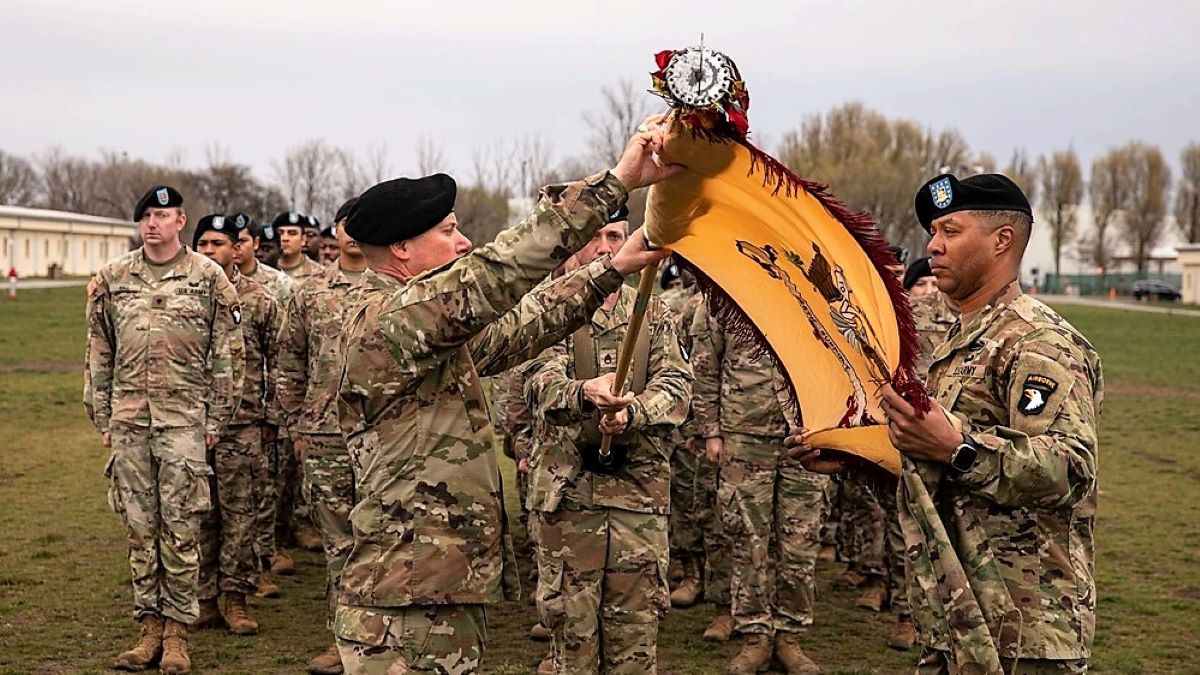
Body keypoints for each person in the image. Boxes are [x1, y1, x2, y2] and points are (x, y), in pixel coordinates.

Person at [333, 120, 682, 674]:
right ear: (401, 246)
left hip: (436, 585)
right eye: (449, 231)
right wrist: (616, 182)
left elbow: (521, 326)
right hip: (404, 601)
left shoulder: (430, 332)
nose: (464, 241)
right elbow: (495, 276)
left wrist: (610, 269)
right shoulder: (390, 319)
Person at [789, 173, 1102, 674]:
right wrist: (856, 456)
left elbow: (1069, 469)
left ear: (1002, 240)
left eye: (950, 231)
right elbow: (939, 470)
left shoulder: (1038, 341)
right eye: (933, 232)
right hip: (958, 618)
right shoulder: (962, 341)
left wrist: (960, 448)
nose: (933, 246)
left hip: (1023, 628)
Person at [523, 209, 693, 674]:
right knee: (570, 635)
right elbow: (538, 382)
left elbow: (677, 385)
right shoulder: (550, 308)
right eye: (590, 237)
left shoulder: (653, 312)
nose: (602, 248)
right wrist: (584, 394)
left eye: (615, 236)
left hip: (637, 498)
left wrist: (633, 411)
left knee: (634, 638)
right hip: (568, 496)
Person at [85, 186, 245, 674]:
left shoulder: (209, 277)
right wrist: (104, 415)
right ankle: (148, 629)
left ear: (181, 221)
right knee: (139, 530)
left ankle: (177, 633)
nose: (153, 223)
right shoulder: (112, 279)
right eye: (147, 216)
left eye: (163, 215)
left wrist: (216, 418)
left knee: (180, 529)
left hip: (184, 423)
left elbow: (228, 353)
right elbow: (99, 351)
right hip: (130, 422)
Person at [690, 299, 827, 675]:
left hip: (807, 435)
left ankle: (789, 637)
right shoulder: (724, 294)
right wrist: (711, 431)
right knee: (747, 538)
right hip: (743, 433)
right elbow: (704, 366)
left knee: (801, 540)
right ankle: (755, 635)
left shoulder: (813, 293)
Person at [276, 199, 368, 675]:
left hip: (383, 435)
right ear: (334, 230)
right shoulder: (311, 292)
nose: (352, 234)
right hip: (326, 435)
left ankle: (382, 637)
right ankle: (343, 641)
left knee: (382, 537)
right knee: (339, 543)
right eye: (345, 225)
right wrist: (296, 424)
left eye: (361, 225)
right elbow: (290, 361)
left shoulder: (395, 287)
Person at [191, 213, 280, 637]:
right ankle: (204, 598)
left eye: (218, 244)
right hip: (191, 423)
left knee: (241, 514)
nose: (210, 251)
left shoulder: (260, 300)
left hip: (243, 424)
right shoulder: (185, 297)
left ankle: (236, 597)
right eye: (203, 244)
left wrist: (274, 419)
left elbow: (279, 361)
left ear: (236, 250)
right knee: (199, 514)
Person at [230, 212, 300, 595]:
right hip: (222, 411)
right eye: (230, 240)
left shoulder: (277, 288)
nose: (235, 247)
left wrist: (278, 413)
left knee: (264, 487)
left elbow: (283, 352)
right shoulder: (210, 285)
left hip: (260, 408)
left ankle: (265, 554)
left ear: (256, 243)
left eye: (242, 240)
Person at [276, 211, 324, 280]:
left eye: (292, 233)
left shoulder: (320, 274)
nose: (285, 238)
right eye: (280, 233)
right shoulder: (265, 272)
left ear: (303, 239)